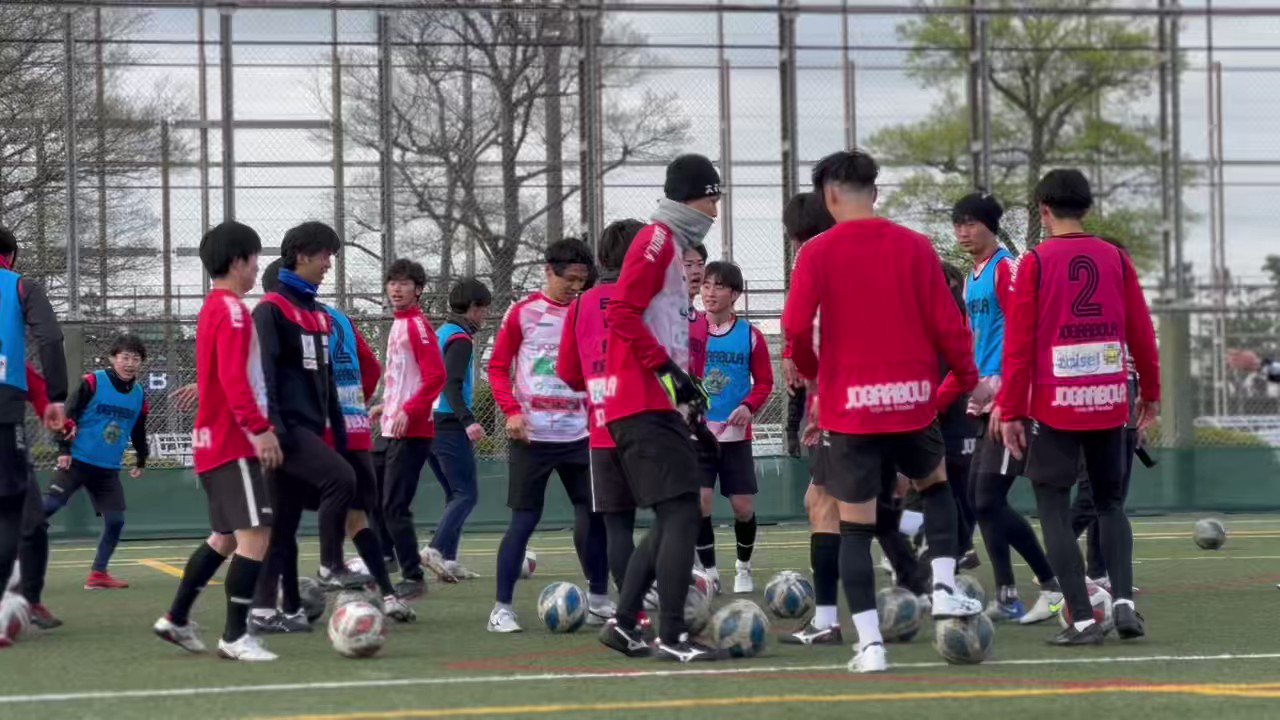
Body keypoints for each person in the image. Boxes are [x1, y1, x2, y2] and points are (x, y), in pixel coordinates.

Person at [782, 150, 982, 674]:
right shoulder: (915, 247)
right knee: (935, 485)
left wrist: (810, 372)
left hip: (850, 410)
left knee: (855, 527)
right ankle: (942, 587)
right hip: (912, 401)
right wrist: (967, 379)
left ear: (828, 195)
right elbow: (948, 324)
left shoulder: (817, 254)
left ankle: (870, 646)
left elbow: (797, 329)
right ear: (876, 190)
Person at [995, 169, 1159, 645]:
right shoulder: (1114, 258)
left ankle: (1084, 619)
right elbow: (1140, 330)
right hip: (1109, 398)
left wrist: (1011, 410)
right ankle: (1124, 603)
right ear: (1087, 209)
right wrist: (1150, 392)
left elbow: (1020, 344)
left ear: (1043, 210)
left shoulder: (1036, 262)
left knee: (1052, 504)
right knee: (1111, 503)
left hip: (1054, 403)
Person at [598, 153, 724, 662]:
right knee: (680, 512)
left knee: (672, 514)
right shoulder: (654, 241)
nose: (715, 209)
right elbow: (623, 314)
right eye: (710, 197)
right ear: (688, 197)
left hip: (655, 403)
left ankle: (624, 624)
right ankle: (671, 635)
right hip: (641, 400)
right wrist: (668, 375)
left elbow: (661, 330)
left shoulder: (672, 247)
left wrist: (685, 394)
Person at [248, 253, 412, 634]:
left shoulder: (287, 318)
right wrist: (355, 403)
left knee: (277, 522)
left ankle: (282, 602)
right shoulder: (337, 318)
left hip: (310, 430)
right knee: (357, 516)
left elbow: (267, 375)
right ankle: (387, 594)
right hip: (352, 428)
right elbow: (371, 366)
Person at [153, 221, 281, 662]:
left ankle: (176, 618)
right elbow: (232, 377)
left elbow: (219, 374)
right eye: (254, 258)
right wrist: (260, 428)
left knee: (224, 538)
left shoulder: (213, 308)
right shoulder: (232, 310)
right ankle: (234, 636)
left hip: (214, 443)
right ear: (237, 261)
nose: (257, 267)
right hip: (234, 444)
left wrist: (208, 393)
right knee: (256, 537)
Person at [486, 238, 610, 633]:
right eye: (569, 279)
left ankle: (599, 598)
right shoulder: (523, 313)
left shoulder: (589, 311)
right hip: (532, 437)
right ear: (548, 271)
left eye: (582, 280)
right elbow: (497, 367)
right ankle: (502, 609)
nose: (576, 286)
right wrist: (511, 411)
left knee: (593, 515)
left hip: (581, 435)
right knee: (524, 520)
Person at [950, 193, 1063, 623]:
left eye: (971, 223)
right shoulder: (971, 275)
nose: (963, 231)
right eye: (958, 224)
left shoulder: (1005, 269)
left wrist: (1012, 397)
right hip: (985, 401)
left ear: (990, 226)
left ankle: (1053, 585)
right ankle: (1008, 594)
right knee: (982, 502)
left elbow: (1025, 330)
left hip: (1010, 400)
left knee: (987, 499)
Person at [250, 222, 371, 593]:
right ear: (302, 256)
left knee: (283, 525)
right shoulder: (271, 310)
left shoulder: (317, 315)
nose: (329, 264)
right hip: (287, 431)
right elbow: (263, 374)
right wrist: (270, 429)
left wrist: (342, 437)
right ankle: (331, 565)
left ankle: (268, 610)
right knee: (341, 479)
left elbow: (327, 383)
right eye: (324, 256)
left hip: (312, 430)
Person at [558, 219, 646, 600]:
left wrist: (598, 389)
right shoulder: (647, 295)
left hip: (603, 426)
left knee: (618, 525)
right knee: (677, 515)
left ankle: (631, 612)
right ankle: (669, 599)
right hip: (649, 422)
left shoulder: (581, 305)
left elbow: (567, 370)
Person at [776, 192, 846, 647]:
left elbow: (801, 326)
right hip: (894, 394)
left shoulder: (814, 257)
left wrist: (798, 361)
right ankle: (927, 569)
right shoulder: (870, 251)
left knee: (824, 505)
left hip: (839, 399)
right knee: (828, 501)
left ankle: (827, 620)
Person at [0, 225, 68, 647]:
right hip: (3, 412)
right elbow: (51, 336)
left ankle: (28, 598)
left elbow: (27, 374)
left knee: (28, 516)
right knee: (15, 512)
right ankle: (15, 600)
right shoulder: (18, 286)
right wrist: (57, 399)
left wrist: (45, 402)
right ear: (9, 256)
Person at [44, 334, 150, 590]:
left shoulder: (139, 395)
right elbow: (67, 415)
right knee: (47, 507)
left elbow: (138, 429)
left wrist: (141, 458)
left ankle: (98, 574)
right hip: (77, 461)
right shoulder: (93, 382)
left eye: (136, 359)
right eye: (125, 357)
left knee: (116, 521)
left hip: (108, 470)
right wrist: (64, 449)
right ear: (113, 358)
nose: (130, 363)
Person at [695, 261, 773, 595]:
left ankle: (743, 567)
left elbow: (765, 383)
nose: (710, 293)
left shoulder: (751, 336)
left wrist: (747, 406)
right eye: (706, 285)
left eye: (719, 287)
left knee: (743, 508)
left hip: (735, 437)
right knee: (701, 501)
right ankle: (710, 572)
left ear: (735, 294)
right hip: (697, 434)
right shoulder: (691, 330)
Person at [377, 258, 447, 599]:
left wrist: (408, 409)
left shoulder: (417, 325)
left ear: (418, 290)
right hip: (393, 427)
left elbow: (436, 377)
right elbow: (405, 378)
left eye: (404, 283)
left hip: (412, 432)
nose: (396, 288)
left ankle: (412, 576)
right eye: (392, 282)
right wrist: (386, 406)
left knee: (393, 506)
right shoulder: (400, 323)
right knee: (378, 498)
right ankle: (386, 561)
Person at [421, 277, 493, 581]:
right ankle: (435, 550)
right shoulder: (460, 339)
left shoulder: (442, 332)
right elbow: (451, 383)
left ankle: (449, 561)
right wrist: (468, 420)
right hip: (449, 425)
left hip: (430, 424)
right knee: (466, 494)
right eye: (484, 309)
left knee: (455, 493)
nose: (485, 315)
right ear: (473, 308)